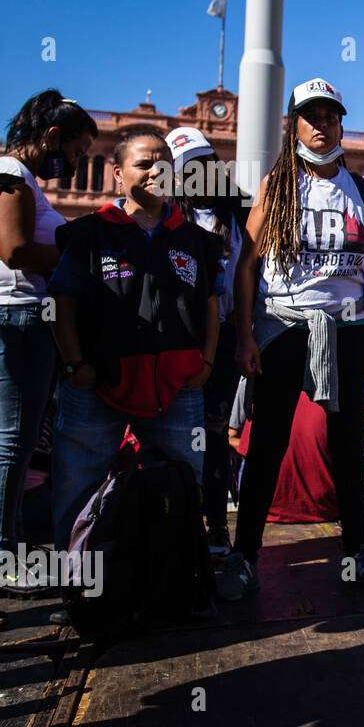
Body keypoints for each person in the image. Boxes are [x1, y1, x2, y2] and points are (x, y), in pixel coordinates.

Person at [219, 78, 364, 600]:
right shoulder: (279, 183)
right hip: (285, 326)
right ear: (293, 124)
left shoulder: (359, 188)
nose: (322, 124)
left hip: (346, 327)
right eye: (311, 115)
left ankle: (357, 550)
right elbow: (246, 264)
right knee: (268, 441)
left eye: (331, 115)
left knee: (345, 443)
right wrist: (245, 334)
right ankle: (244, 554)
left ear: (340, 123)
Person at [48, 130, 220, 550]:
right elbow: (60, 301)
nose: (155, 171)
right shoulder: (90, 233)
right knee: (79, 487)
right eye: (143, 163)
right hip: (98, 384)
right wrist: (75, 365)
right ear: (119, 174)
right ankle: (78, 588)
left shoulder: (197, 240)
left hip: (177, 388)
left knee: (181, 483)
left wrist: (208, 364)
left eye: (163, 162)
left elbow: (212, 306)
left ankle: (175, 582)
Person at [0, 91, 96, 586]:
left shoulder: (24, 180)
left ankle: (13, 548)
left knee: (13, 441)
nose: (77, 165)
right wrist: (75, 256)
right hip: (18, 317)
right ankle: (6, 558)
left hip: (25, 318)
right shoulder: (12, 176)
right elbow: (15, 251)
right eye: (78, 153)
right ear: (52, 137)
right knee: (12, 443)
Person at [166, 126, 249, 556]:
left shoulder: (237, 214)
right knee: (178, 434)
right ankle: (177, 527)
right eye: (188, 169)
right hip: (181, 338)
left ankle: (217, 526)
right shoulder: (166, 217)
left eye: (204, 164)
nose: (198, 174)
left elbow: (249, 275)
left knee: (215, 435)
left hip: (228, 333)